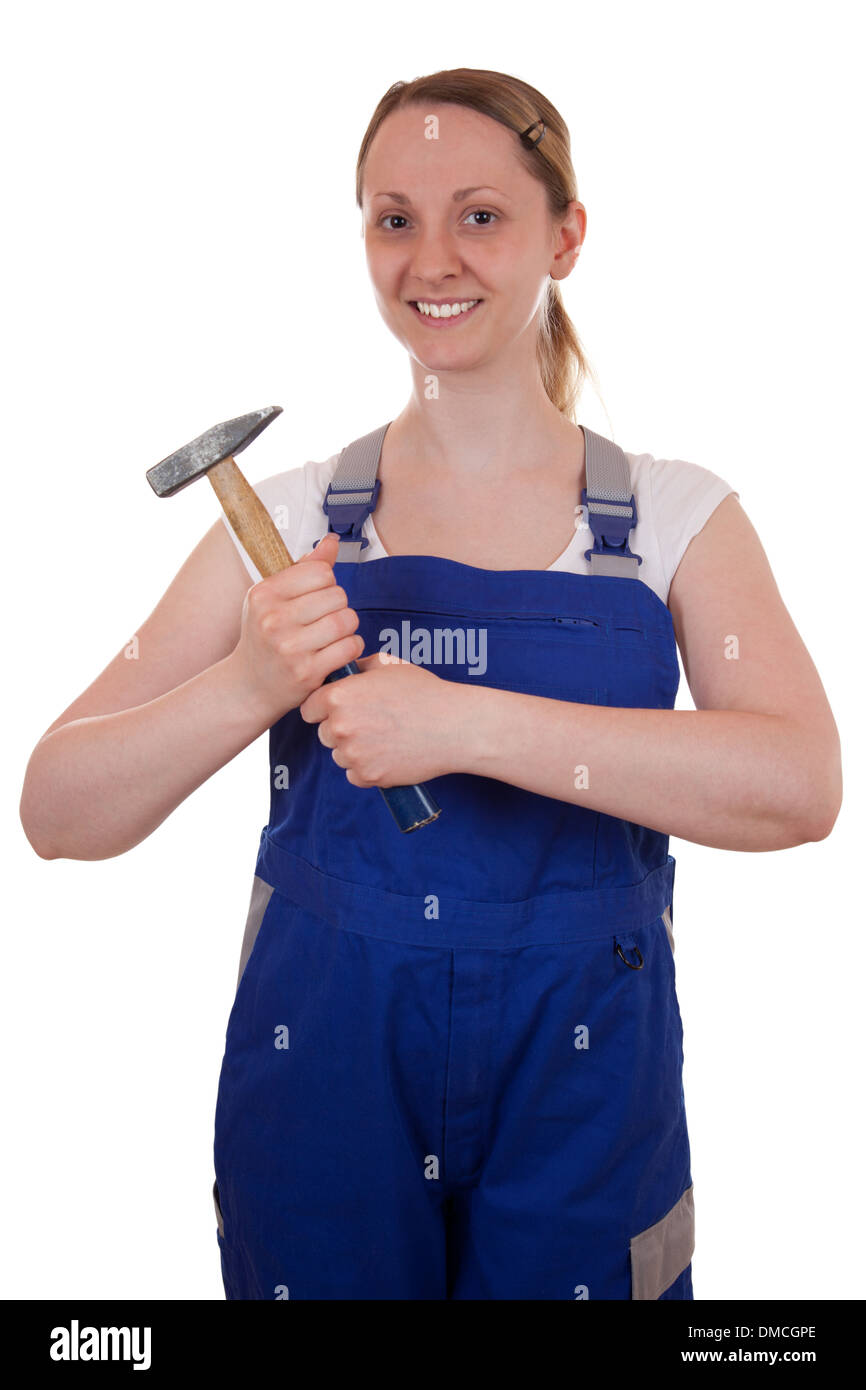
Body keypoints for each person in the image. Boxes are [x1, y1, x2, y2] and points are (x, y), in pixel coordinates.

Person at [20, 68, 842, 1301]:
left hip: (581, 1094)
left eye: (480, 214)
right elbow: (56, 808)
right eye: (392, 218)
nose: (430, 258)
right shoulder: (287, 519)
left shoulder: (672, 519)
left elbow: (796, 783)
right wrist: (247, 681)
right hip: (324, 1083)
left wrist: (463, 723)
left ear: (565, 235)